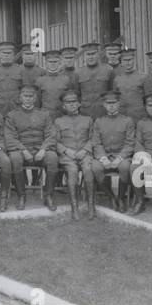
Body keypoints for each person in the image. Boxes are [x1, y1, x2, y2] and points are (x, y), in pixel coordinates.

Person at [5, 83, 58, 211]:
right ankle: (21, 195)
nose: (28, 98)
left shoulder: (44, 114)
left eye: (31, 96)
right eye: (25, 96)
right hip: (21, 149)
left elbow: (51, 134)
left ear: (35, 98)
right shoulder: (12, 115)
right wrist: (23, 150)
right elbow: (10, 136)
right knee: (15, 159)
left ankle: (48, 195)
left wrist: (43, 149)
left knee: (53, 158)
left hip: (40, 149)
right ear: (20, 98)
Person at [89, 90, 135, 210]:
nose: (111, 105)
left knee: (125, 167)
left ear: (119, 104)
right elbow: (96, 142)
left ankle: (120, 198)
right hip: (104, 155)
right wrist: (103, 158)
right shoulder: (99, 121)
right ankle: (111, 197)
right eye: (108, 103)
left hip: (121, 155)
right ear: (104, 105)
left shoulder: (127, 121)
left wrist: (119, 159)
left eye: (114, 103)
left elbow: (130, 143)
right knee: (95, 168)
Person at [53, 89, 96, 220]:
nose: (71, 104)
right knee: (72, 171)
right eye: (68, 102)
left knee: (88, 170)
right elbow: (55, 141)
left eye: (74, 102)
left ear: (79, 104)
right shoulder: (58, 121)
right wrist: (66, 151)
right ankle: (74, 207)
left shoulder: (88, 120)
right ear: (63, 106)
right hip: (67, 155)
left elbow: (93, 138)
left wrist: (85, 150)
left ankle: (91, 206)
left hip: (85, 154)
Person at [74, 42, 113, 119]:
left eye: (93, 54)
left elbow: (111, 92)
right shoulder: (78, 72)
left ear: (98, 54)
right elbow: (77, 95)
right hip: (85, 113)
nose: (91, 57)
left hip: (103, 112)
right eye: (88, 54)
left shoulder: (108, 70)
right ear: (84, 56)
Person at [34, 49, 75, 116]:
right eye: (50, 62)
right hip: (46, 115)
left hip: (62, 115)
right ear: (46, 63)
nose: (53, 64)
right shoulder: (40, 81)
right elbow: (37, 102)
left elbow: (71, 98)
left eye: (55, 61)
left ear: (59, 62)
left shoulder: (66, 79)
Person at [0, 40, 25, 114]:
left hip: (16, 107)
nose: (6, 55)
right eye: (4, 53)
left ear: (13, 54)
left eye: (9, 53)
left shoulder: (21, 70)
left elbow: (25, 90)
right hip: (0, 108)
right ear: (0, 55)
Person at [112, 47, 145, 117]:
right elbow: (115, 99)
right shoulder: (117, 79)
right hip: (123, 116)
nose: (128, 63)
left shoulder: (143, 77)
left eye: (130, 60)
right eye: (125, 60)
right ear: (121, 62)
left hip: (139, 115)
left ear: (134, 60)